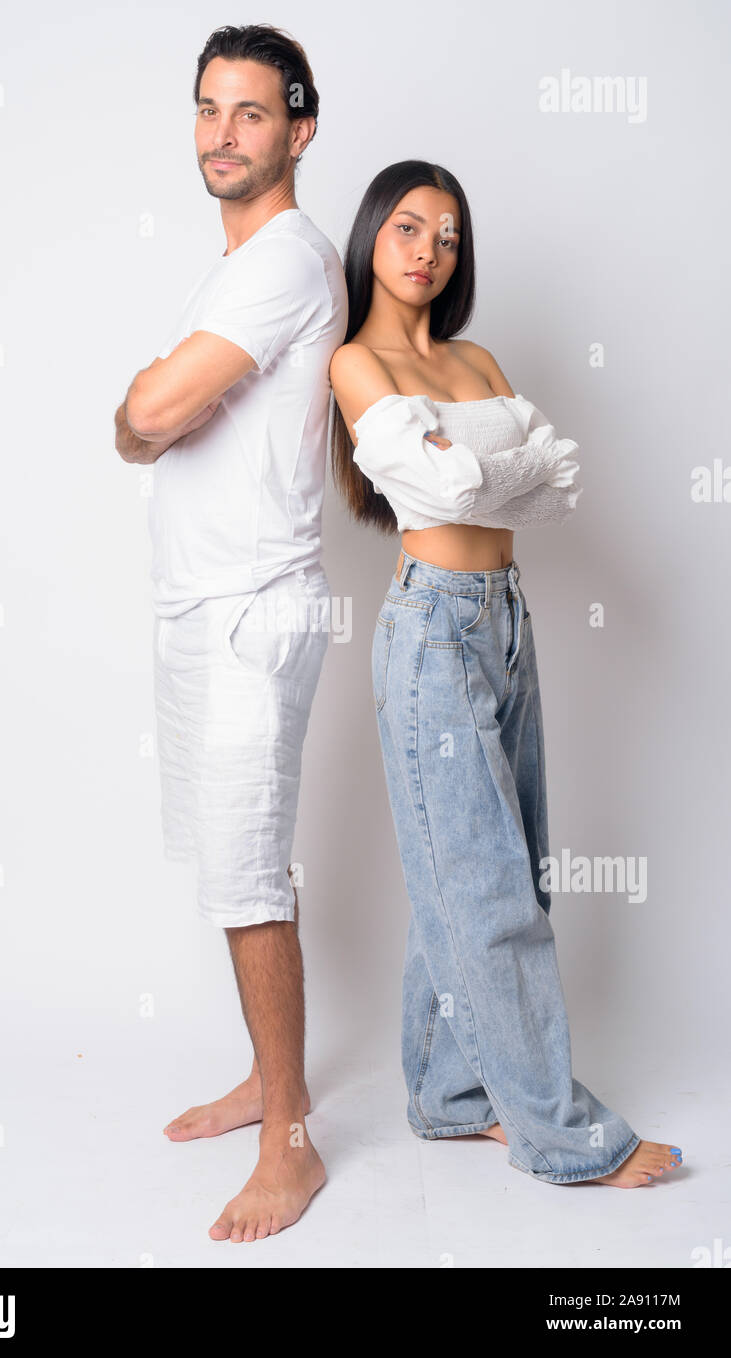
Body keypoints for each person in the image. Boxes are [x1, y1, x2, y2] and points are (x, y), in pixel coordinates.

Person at [329, 159, 682, 1187]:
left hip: (507, 623)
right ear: (372, 238)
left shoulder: (474, 357)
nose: (427, 249)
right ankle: (564, 1137)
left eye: (445, 234)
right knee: (485, 889)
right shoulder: (356, 364)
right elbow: (444, 483)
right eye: (406, 227)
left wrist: (482, 469)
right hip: (432, 631)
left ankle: (450, 1095)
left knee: (495, 869)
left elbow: (552, 484)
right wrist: (490, 465)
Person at [114, 25, 347, 1240]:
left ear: (298, 130)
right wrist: (149, 414)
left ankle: (291, 1141)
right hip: (199, 606)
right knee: (228, 864)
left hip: (256, 609)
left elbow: (147, 407)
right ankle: (268, 1079)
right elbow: (141, 424)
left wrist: (152, 406)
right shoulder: (232, 267)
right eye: (209, 107)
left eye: (250, 112)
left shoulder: (288, 258)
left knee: (250, 873)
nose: (222, 132)